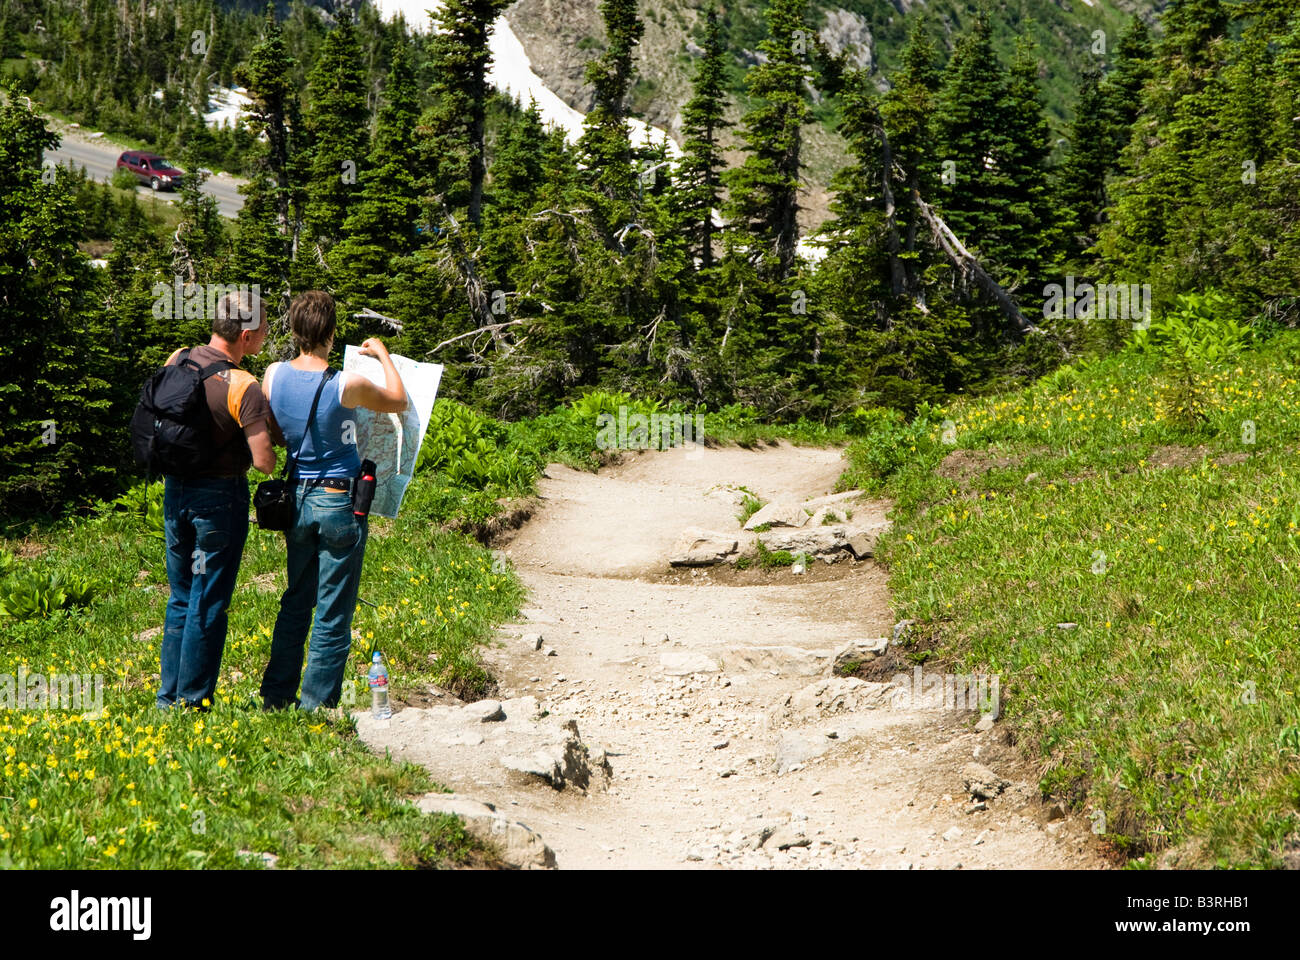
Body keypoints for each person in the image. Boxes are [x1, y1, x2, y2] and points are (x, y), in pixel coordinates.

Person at [259, 290, 407, 711]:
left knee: (295, 600)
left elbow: (276, 431)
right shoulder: (346, 382)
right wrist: (382, 354)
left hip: (297, 500)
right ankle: (317, 706)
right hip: (339, 500)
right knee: (332, 611)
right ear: (331, 332)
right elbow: (399, 399)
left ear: (294, 330)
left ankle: (276, 697)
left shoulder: (272, 374)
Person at [159, 290, 274, 710]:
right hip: (218, 502)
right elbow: (263, 462)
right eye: (262, 331)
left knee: (181, 596)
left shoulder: (178, 359)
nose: (264, 338)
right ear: (245, 335)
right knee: (208, 601)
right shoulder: (243, 384)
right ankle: (192, 702)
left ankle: (168, 698)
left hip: (176, 494)